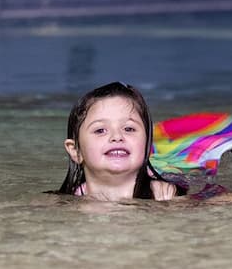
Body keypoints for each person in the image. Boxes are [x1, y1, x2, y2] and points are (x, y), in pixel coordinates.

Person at [54, 81, 183, 201]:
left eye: (129, 129)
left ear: (147, 144)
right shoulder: (67, 202)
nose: (117, 136)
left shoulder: (166, 196)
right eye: (100, 130)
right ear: (76, 151)